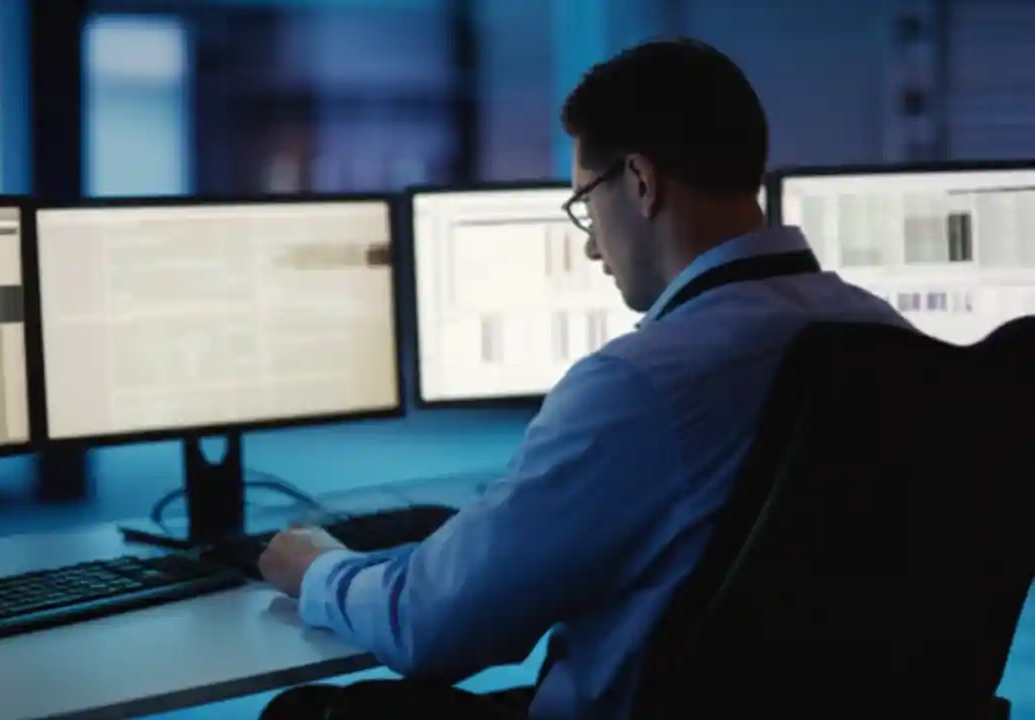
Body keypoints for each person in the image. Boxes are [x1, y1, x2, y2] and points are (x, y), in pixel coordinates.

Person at [256, 38, 910, 719]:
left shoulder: (642, 383)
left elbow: (434, 627)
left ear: (640, 182)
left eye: (586, 207)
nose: (594, 243)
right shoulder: (886, 335)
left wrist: (319, 571)